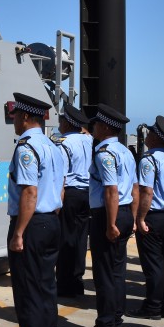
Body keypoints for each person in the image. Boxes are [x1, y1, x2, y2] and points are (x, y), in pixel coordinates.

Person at [0, 92, 65, 327]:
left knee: (28, 296)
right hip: (51, 221)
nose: (12, 120)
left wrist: (20, 233)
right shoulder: (53, 146)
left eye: (15, 115)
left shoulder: (26, 148)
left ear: (25, 117)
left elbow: (29, 192)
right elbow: (60, 189)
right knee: (47, 292)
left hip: (32, 225)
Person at [78, 105, 138, 327]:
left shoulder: (104, 154)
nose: (92, 128)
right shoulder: (125, 151)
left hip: (108, 214)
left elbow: (111, 190)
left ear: (104, 127)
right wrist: (131, 218)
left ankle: (106, 324)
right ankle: (116, 320)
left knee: (104, 273)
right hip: (123, 212)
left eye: (94, 125)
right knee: (117, 272)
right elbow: (134, 188)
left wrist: (111, 223)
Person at [134, 116, 164, 318]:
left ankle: (153, 306)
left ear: (155, 137)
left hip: (154, 214)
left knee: (153, 264)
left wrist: (140, 218)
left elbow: (147, 192)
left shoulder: (149, 159)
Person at [55, 104, 94, 299]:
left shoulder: (63, 143)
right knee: (80, 239)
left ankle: (64, 284)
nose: (59, 124)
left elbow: (61, 177)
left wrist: (57, 205)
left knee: (66, 239)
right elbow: (86, 133)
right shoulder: (89, 140)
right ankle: (77, 281)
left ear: (67, 123)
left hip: (70, 194)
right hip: (87, 194)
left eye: (62, 120)